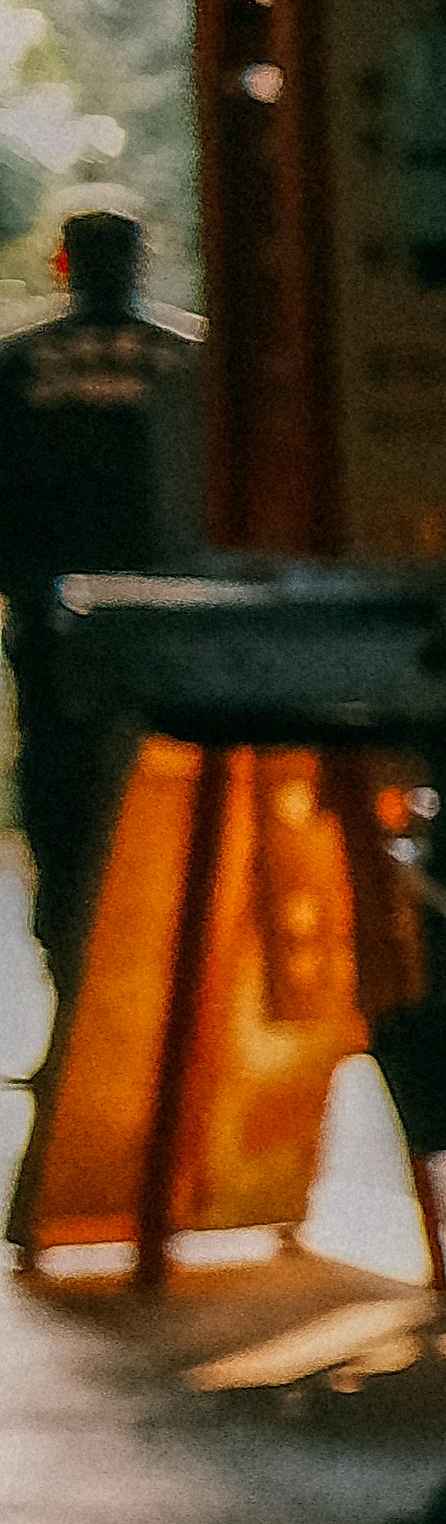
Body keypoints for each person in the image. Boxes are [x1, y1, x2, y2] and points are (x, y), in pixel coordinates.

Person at [0, 200, 208, 1012]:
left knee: (60, 789)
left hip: (51, 623)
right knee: (171, 787)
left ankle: (71, 969)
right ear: (140, 264)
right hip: (180, 625)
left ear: (64, 264)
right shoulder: (190, 360)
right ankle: (163, 974)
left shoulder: (17, 363)